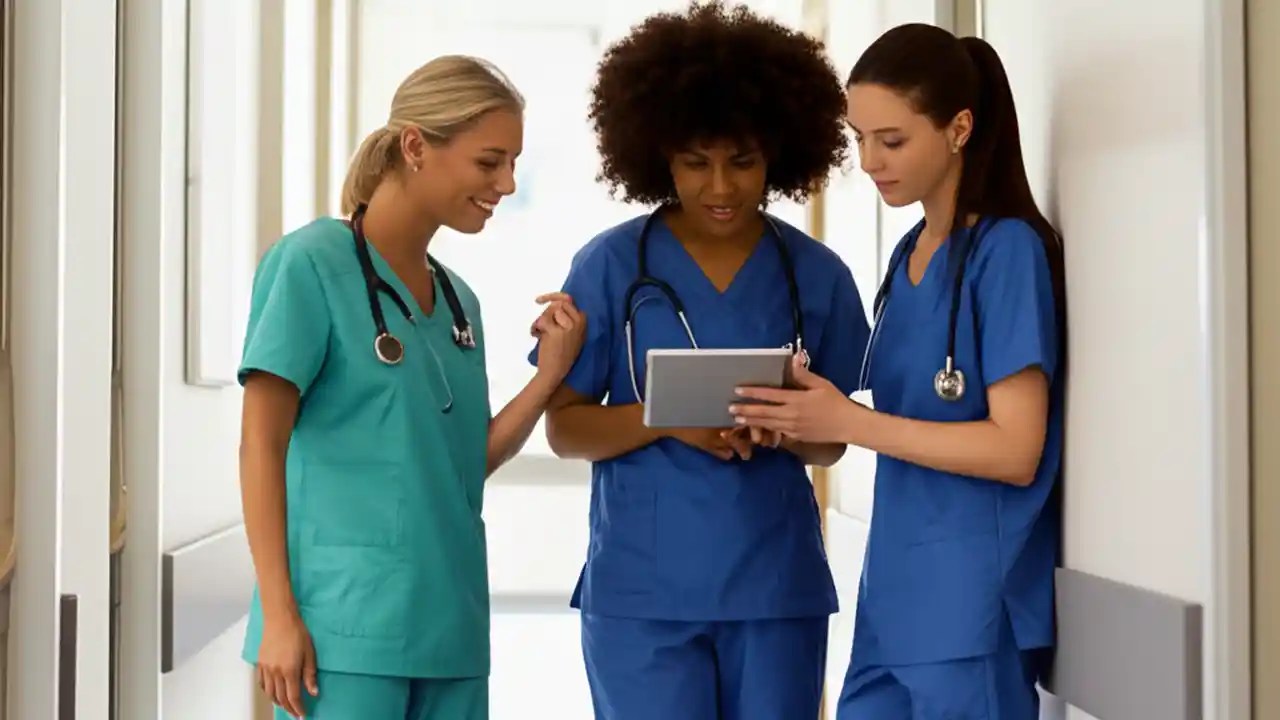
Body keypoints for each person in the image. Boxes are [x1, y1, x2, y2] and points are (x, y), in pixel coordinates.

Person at [527, 3, 871, 718]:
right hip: (642, 595)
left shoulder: (816, 274)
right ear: (659, 157)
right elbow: (565, 431)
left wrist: (778, 426)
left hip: (774, 590)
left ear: (778, 152)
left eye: (742, 162)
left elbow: (832, 440)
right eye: (696, 163)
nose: (721, 187)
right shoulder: (611, 265)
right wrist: (667, 422)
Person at [730, 23, 1067, 719]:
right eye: (859, 139)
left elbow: (1015, 448)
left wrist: (850, 421)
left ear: (959, 128)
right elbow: (882, 413)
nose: (870, 160)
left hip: (971, 612)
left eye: (892, 140)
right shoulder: (909, 254)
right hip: (891, 600)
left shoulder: (1005, 254)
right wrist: (802, 405)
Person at [237, 55, 586, 720]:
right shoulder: (311, 264)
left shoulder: (460, 303)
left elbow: (464, 459)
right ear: (417, 146)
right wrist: (279, 614)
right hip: (340, 635)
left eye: (513, 162)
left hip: (449, 630)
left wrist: (549, 377)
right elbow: (260, 444)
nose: (507, 183)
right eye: (490, 162)